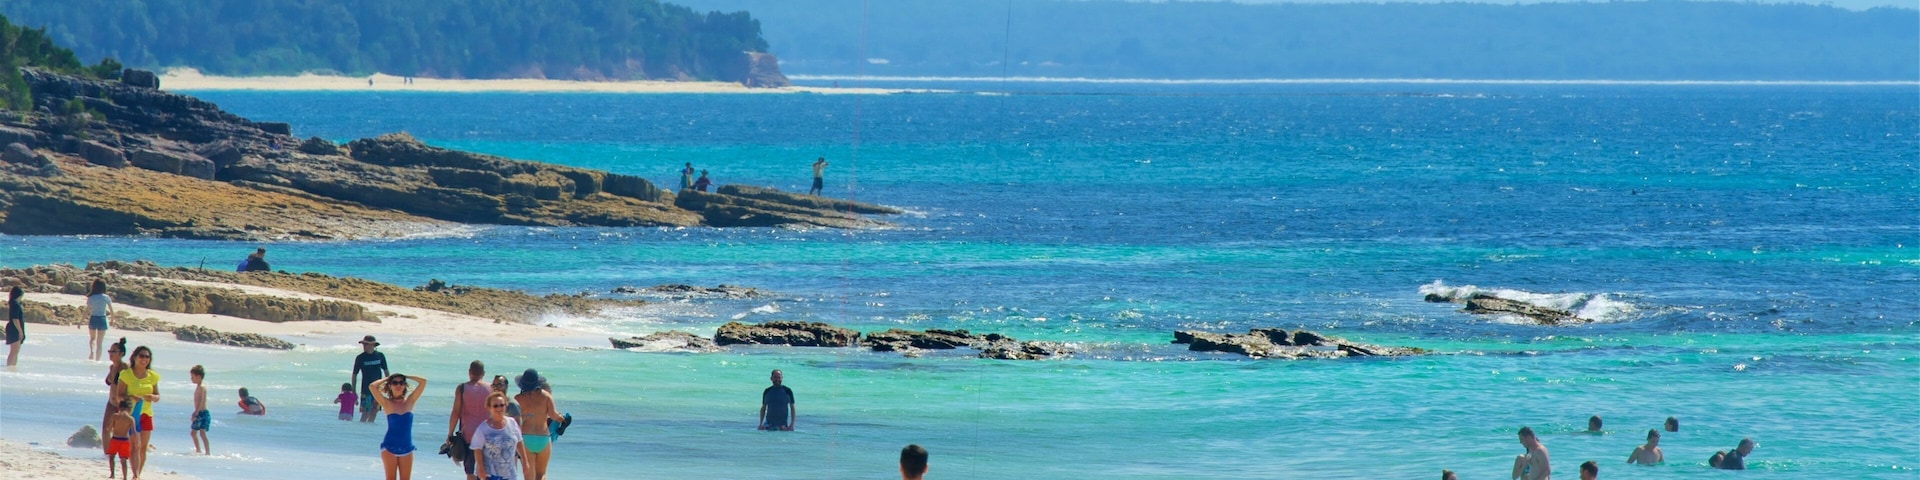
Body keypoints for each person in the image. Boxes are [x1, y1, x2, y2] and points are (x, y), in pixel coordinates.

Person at [114, 345, 159, 480]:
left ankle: (137, 475)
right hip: (130, 414)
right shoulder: (126, 374)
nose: (144, 359)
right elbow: (119, 396)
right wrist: (131, 397)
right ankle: (134, 474)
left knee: (143, 447)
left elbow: (157, 396)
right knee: (133, 446)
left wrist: (153, 397)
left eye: (147, 356)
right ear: (135, 357)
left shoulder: (153, 376)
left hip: (146, 414)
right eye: (141, 356)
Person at [373, 373, 429, 480]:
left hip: (407, 447)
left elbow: (423, 381)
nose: (398, 385)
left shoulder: (410, 401)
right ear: (390, 386)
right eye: (394, 383)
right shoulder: (386, 403)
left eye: (401, 383)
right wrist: (387, 378)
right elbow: (372, 386)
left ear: (404, 386)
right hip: (389, 446)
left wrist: (406, 376)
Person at [514, 369, 565, 480]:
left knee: (529, 476)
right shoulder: (546, 396)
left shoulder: (518, 399)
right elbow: (553, 416)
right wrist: (562, 419)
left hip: (526, 438)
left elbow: (514, 421)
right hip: (543, 438)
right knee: (541, 474)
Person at [471, 392, 529, 480]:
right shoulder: (483, 428)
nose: (499, 408)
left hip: (509, 474)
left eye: (502, 405)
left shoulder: (512, 423)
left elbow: (519, 442)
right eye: (495, 406)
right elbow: (477, 449)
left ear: (506, 406)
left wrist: (525, 463)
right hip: (489, 475)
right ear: (489, 408)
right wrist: (480, 468)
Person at [449, 360, 490, 480]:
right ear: (483, 373)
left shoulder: (462, 388)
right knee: (485, 470)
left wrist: (450, 434)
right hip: (486, 434)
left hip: (468, 435)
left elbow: (456, 413)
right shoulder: (490, 388)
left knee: (470, 471)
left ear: (469, 372)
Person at [353, 335, 391, 423]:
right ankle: (361, 430)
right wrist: (354, 390)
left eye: (366, 344)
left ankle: (369, 431)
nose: (364, 346)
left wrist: (388, 385)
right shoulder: (360, 358)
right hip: (366, 389)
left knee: (374, 411)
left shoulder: (380, 356)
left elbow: (386, 371)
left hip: (378, 389)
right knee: (365, 412)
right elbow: (354, 374)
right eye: (363, 344)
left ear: (372, 345)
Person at [99, 338, 127, 435]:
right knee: (106, 428)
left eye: (114, 351)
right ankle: (108, 450)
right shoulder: (112, 367)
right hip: (111, 402)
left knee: (119, 431)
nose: (111, 354)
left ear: (121, 354)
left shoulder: (124, 368)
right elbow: (108, 382)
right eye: (110, 351)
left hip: (121, 404)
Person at [104, 398, 133, 479]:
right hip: (124, 440)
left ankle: (112, 474)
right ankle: (125, 477)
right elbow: (134, 432)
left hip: (115, 439)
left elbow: (108, 428)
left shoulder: (115, 416)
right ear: (128, 408)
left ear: (120, 407)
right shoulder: (130, 419)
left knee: (111, 457)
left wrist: (112, 427)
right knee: (123, 461)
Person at [86, 279, 112, 361]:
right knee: (99, 342)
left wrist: (80, 321)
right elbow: (111, 310)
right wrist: (112, 319)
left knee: (92, 338)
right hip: (102, 319)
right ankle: (97, 360)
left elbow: (87, 310)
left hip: (93, 318)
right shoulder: (106, 297)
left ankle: (92, 352)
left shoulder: (91, 298)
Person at [190, 365, 211, 455]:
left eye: (192, 377)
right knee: (193, 433)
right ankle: (198, 450)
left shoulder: (202, 387)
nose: (191, 379)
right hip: (199, 412)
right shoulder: (198, 386)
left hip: (202, 413)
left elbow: (202, 401)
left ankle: (207, 452)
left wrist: (196, 413)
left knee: (202, 433)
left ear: (199, 377)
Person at [6, 286, 24, 367]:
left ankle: (12, 367)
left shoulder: (14, 303)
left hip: (14, 328)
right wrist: (20, 331)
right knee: (13, 351)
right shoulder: (15, 304)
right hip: (14, 329)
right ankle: (9, 366)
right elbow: (15, 319)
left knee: (15, 352)